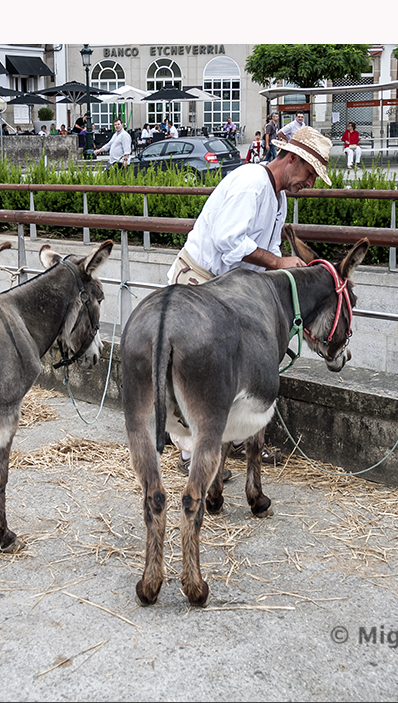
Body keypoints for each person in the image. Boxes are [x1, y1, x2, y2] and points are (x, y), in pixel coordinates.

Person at [166, 125, 334, 472]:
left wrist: (284, 290)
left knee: (236, 366)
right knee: (197, 371)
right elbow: (231, 241)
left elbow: (268, 251)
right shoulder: (251, 183)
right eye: (310, 173)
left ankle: (239, 439)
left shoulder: (278, 197)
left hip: (230, 286)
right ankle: (189, 454)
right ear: (291, 158)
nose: (311, 183)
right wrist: (278, 263)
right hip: (200, 278)